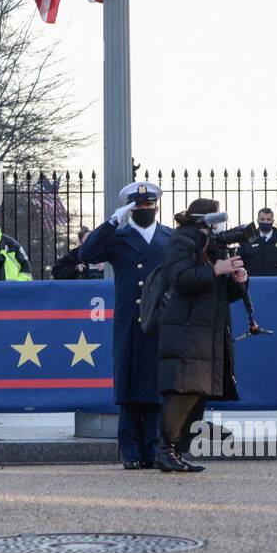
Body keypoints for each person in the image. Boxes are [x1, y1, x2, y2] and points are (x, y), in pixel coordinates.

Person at [78, 182, 171, 467]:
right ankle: (130, 450)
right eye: (138, 206)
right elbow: (86, 254)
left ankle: (154, 448)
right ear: (130, 209)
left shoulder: (170, 237)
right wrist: (111, 222)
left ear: (156, 206)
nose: (144, 210)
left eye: (148, 205)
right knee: (130, 384)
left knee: (155, 384)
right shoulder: (119, 237)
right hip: (130, 319)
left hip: (158, 319)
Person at [155, 199, 247, 473]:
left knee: (198, 392)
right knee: (183, 390)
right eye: (215, 217)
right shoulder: (182, 239)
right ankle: (165, 450)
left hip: (207, 328)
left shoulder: (213, 242)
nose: (219, 223)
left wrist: (236, 280)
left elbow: (221, 292)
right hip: (187, 326)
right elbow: (180, 278)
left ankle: (178, 451)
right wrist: (215, 270)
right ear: (203, 218)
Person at [238, 208, 277, 277]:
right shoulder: (247, 240)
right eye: (262, 219)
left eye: (268, 219)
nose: (265, 222)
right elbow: (240, 264)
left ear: (272, 221)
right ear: (257, 220)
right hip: (253, 284)